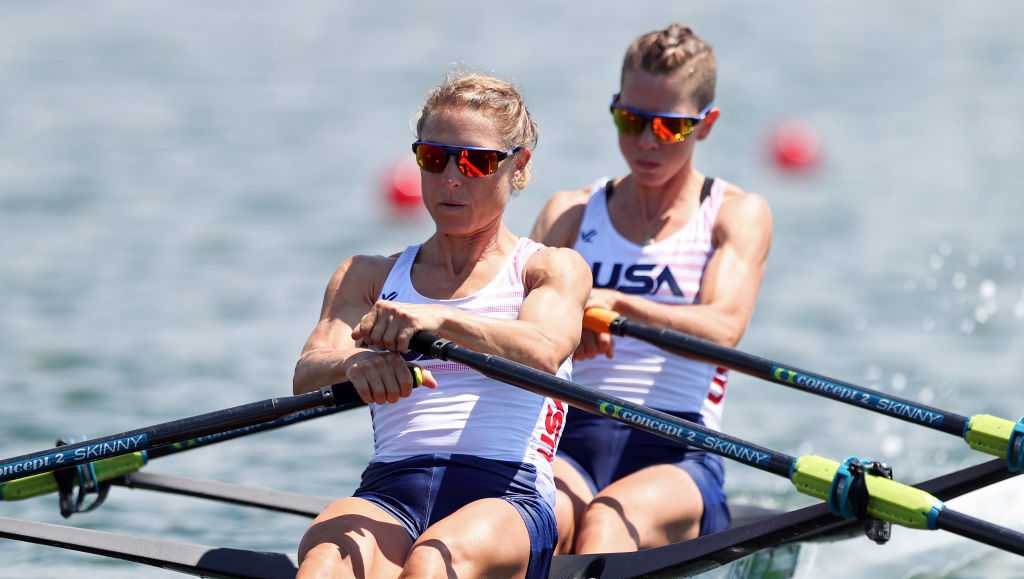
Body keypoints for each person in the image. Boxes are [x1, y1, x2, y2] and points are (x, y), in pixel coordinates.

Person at [292, 73, 591, 579]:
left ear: (519, 167)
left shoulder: (549, 268)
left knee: (432, 562)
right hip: (391, 489)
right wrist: (356, 364)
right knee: (323, 562)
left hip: (507, 495)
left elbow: (544, 348)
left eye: (475, 161)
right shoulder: (367, 276)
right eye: (434, 158)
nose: (451, 177)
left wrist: (439, 318)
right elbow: (307, 373)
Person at [530, 24, 773, 554]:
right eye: (631, 120)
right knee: (531, 521)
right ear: (616, 108)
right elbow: (517, 326)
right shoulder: (569, 213)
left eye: (667, 128)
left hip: (679, 452)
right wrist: (567, 327)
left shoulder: (733, 214)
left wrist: (615, 306)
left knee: (605, 526)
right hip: (570, 440)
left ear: (705, 126)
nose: (645, 142)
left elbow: (724, 326)